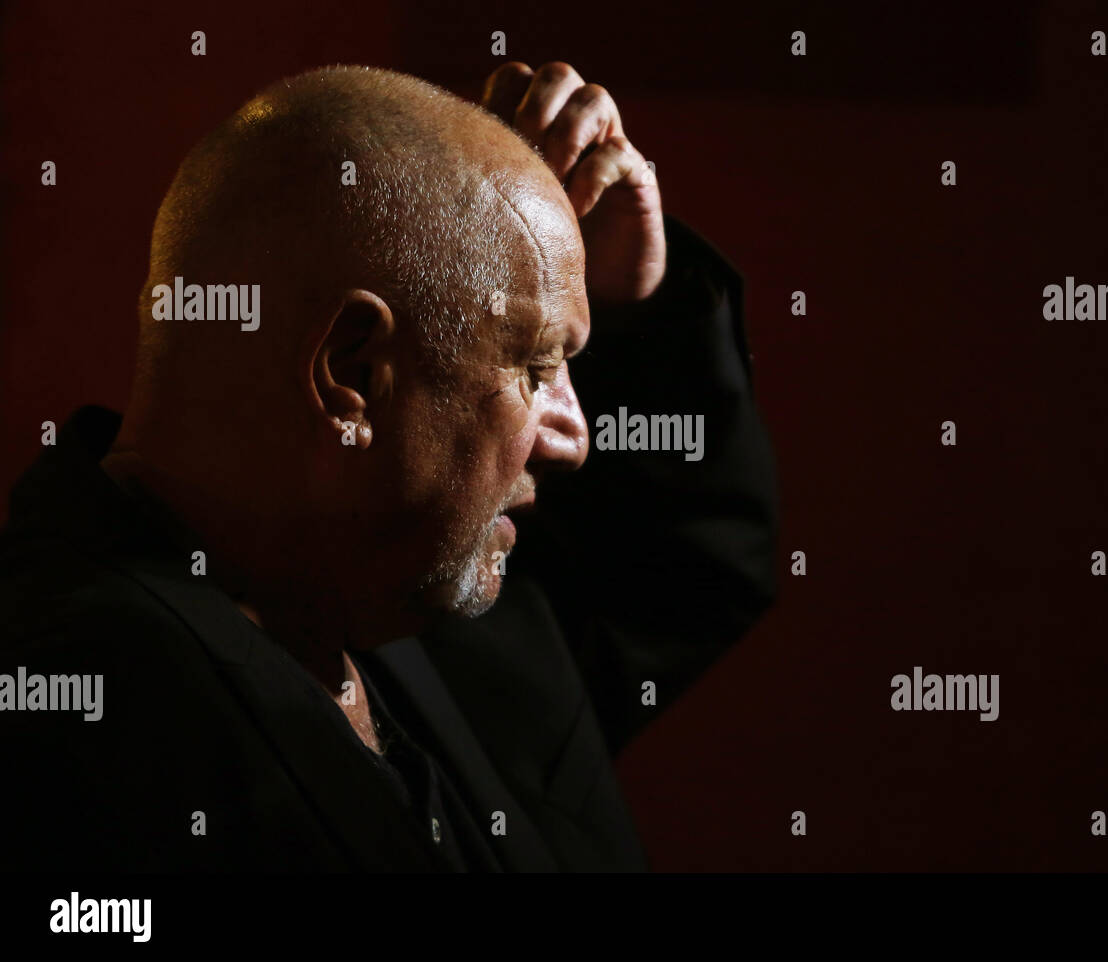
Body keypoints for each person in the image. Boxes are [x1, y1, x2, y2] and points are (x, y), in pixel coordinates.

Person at [0, 62, 776, 871]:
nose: (577, 437)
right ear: (353, 371)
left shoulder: (415, 598)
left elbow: (686, 571)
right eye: (537, 369)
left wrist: (643, 309)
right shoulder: (61, 732)